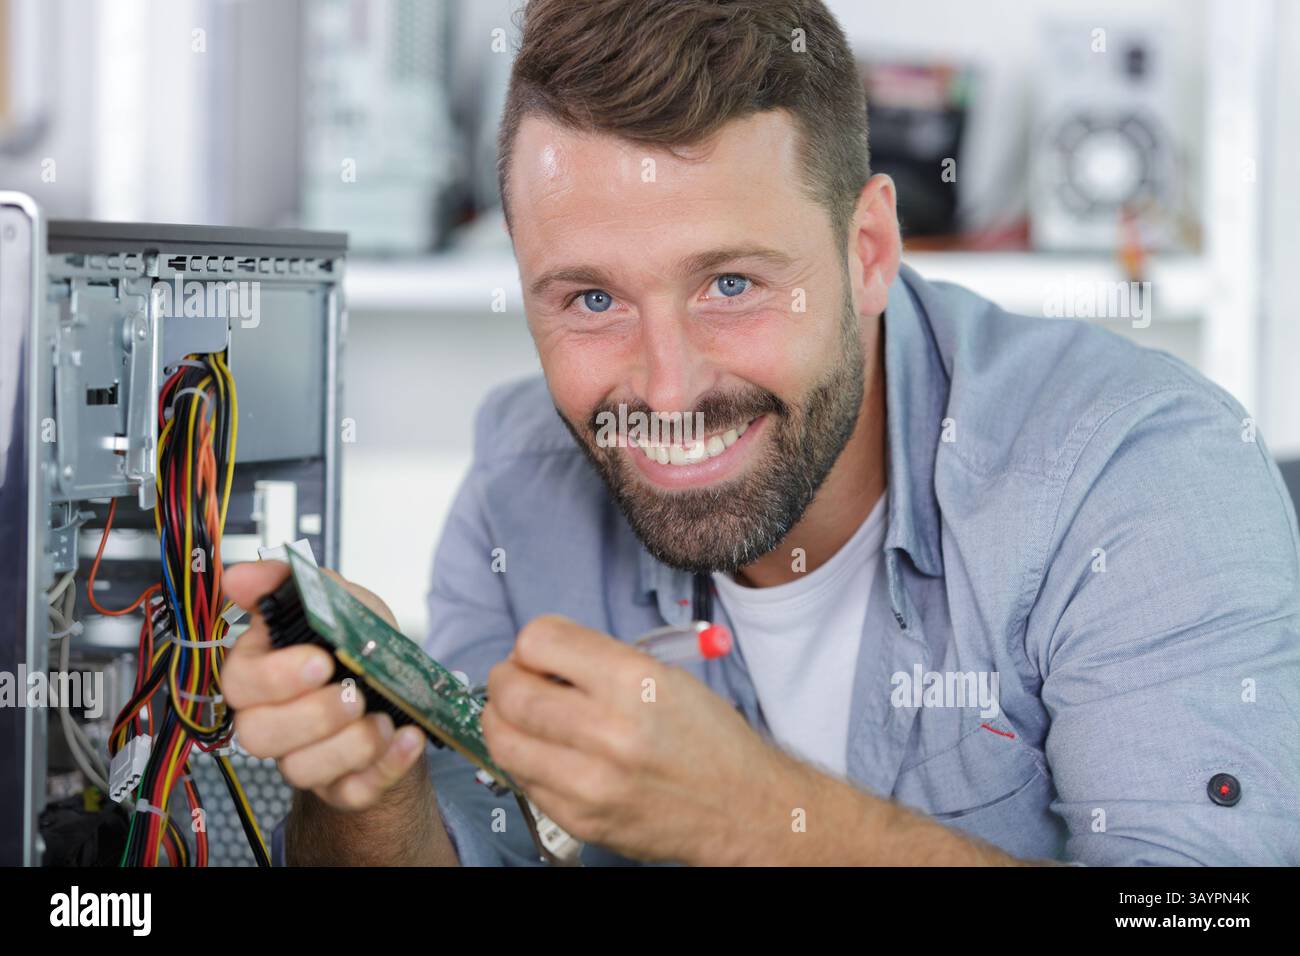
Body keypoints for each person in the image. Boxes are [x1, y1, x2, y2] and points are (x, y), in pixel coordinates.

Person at [221, 0, 1300, 866]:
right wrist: (368, 788)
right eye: (589, 299)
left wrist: (758, 821)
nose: (666, 384)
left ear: (868, 249)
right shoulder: (521, 479)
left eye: (730, 281)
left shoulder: (1137, 472)